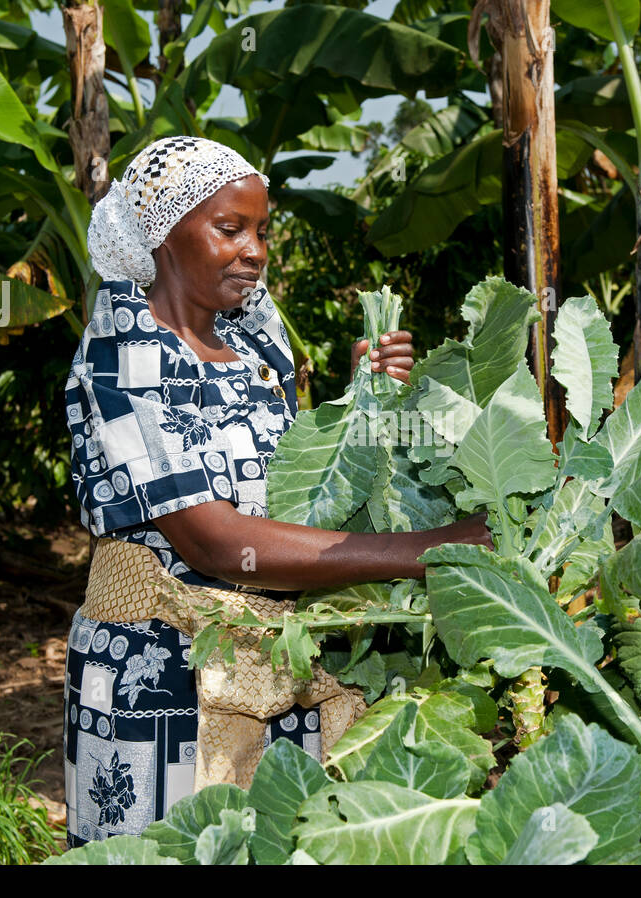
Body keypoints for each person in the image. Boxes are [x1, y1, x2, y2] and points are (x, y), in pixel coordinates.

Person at [61, 136, 493, 848]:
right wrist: (426, 550)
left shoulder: (254, 350)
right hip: (162, 674)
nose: (254, 249)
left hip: (278, 657)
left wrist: (363, 405)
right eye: (229, 228)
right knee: (169, 852)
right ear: (162, 235)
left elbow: (286, 487)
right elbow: (216, 540)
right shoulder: (122, 357)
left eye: (262, 230)